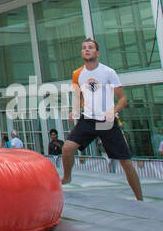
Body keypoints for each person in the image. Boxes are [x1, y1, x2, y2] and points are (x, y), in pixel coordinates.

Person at [60, 37, 143, 200]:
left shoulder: (108, 72)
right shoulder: (78, 74)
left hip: (106, 122)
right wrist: (74, 110)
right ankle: (67, 176)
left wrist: (113, 111)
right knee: (67, 149)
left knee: (126, 162)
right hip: (88, 119)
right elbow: (79, 96)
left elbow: (123, 99)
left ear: (97, 52)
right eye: (84, 48)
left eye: (90, 47)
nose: (87, 50)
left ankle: (139, 197)